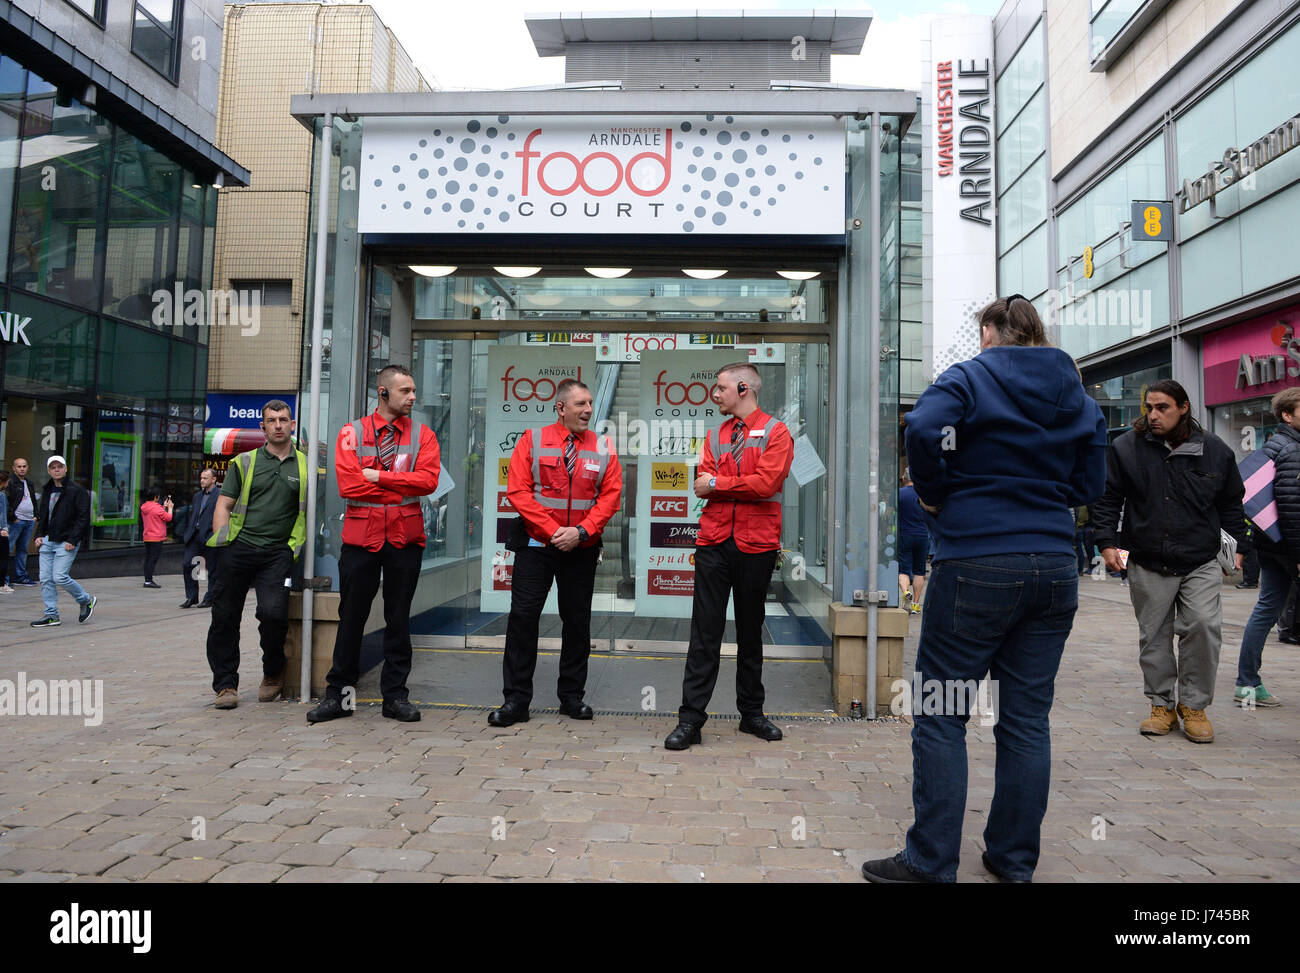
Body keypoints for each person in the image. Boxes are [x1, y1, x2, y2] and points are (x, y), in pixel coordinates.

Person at [860, 295, 1107, 884]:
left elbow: (922, 426)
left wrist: (937, 491)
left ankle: (930, 860)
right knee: (1026, 720)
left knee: (942, 712)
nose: (980, 343)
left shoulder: (970, 375)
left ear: (995, 333)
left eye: (982, 333)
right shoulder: (1074, 389)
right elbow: (1090, 478)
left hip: (976, 558)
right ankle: (1013, 861)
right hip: (1053, 565)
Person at [1092, 379, 1249, 745]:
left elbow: (1231, 504)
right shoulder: (1126, 448)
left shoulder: (1214, 450)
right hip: (1147, 559)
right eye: (1149, 407)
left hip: (1200, 559)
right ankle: (1161, 705)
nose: (1153, 415)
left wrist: (1239, 547)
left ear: (1184, 408)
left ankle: (1193, 706)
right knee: (1155, 637)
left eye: (1162, 407)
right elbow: (1108, 497)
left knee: (1203, 627)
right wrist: (1106, 543)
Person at [663, 362, 793, 751]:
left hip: (757, 545)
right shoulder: (716, 434)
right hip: (715, 542)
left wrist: (720, 483)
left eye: (720, 388)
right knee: (704, 633)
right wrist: (725, 485)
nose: (714, 394)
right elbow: (699, 484)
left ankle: (751, 715)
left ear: (742, 387)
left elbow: (766, 484)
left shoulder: (776, 431)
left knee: (751, 632)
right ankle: (690, 720)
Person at [307, 364, 442, 725]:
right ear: (383, 393)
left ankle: (395, 698)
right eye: (405, 391)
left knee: (399, 620)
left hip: (405, 538)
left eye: (414, 391)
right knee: (351, 617)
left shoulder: (424, 435)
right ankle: (340, 697)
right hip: (361, 538)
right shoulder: (351, 433)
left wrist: (380, 476)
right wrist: (401, 484)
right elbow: (349, 486)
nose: (413, 397)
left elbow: (429, 481)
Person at [485, 377, 623, 727]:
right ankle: (516, 701)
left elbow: (611, 496)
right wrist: (553, 533)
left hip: (582, 546)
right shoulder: (532, 440)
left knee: (577, 622)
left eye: (590, 403)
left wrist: (581, 532)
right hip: (536, 546)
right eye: (580, 404)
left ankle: (572, 698)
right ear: (560, 408)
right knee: (522, 619)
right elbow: (517, 492)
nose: (588, 410)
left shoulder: (604, 446)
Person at [203, 400, 307, 710]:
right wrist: (223, 544)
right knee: (224, 616)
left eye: (283, 419)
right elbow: (224, 504)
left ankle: (273, 672)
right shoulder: (244, 462)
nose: (278, 425)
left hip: (278, 553)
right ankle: (225, 686)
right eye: (272, 420)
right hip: (238, 547)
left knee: (274, 615)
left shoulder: (305, 466)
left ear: (292, 424)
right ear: (262, 427)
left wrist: (293, 548)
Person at [1232, 387, 1300, 708]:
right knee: (1266, 611)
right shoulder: (1292, 449)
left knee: (1266, 610)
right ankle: (1247, 681)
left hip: (1272, 546)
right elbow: (1292, 509)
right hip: (1290, 549)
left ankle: (1247, 683)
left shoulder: (1274, 446)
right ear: (1287, 415)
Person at [29, 455, 98, 627]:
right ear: (49, 471)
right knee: (45, 579)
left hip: (66, 541)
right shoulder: (47, 489)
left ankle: (85, 599)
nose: (56, 470)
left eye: (60, 466)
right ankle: (51, 615)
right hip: (48, 539)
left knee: (59, 576)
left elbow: (83, 517)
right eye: (53, 467)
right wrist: (39, 535)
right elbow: (44, 514)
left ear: (66, 468)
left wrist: (73, 539)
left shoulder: (76, 490)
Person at [181, 469, 220, 608]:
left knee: (212, 569)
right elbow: (194, 514)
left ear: (214, 479)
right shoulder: (197, 496)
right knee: (187, 564)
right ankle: (191, 597)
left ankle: (210, 598)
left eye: (205, 478)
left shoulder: (220, 495)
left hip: (210, 535)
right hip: (194, 535)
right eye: (201, 478)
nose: (202, 480)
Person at [897, 470, 929, 613]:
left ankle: (905, 592)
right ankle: (916, 604)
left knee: (903, 569)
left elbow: (888, 514)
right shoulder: (924, 494)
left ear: (903, 478)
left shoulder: (899, 493)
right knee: (919, 571)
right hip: (922, 535)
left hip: (904, 535)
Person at [6, 457, 39, 586]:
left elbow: (34, 501)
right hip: (16, 521)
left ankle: (20, 576)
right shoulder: (10, 483)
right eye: (19, 466)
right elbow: (6, 502)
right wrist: (13, 518)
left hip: (29, 521)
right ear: (14, 468)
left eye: (24, 466)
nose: (22, 468)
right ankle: (4, 578)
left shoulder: (29, 483)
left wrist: (36, 516)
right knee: (6, 549)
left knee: (22, 549)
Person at [139, 486, 173, 588]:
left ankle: (147, 579)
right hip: (157, 537)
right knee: (153, 559)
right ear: (156, 497)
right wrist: (170, 508)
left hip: (147, 536)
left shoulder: (144, 506)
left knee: (148, 558)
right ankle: (148, 581)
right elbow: (168, 517)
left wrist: (163, 507)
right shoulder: (157, 508)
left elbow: (156, 513)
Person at [1073, 504, 1094, 575]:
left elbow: (1093, 513)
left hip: (1088, 527)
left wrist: (1093, 526)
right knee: (1079, 549)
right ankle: (1080, 569)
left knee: (1089, 548)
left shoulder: (1089, 502)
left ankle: (1092, 567)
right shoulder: (1075, 503)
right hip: (1078, 528)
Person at [0, 471, 10, 593]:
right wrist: (4, 528)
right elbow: (2, 512)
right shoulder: (1, 495)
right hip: (1, 531)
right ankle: (1, 584)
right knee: (3, 558)